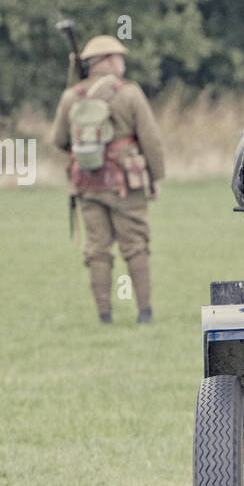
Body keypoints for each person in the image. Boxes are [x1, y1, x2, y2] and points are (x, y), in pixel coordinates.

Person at [50, 35, 165, 324]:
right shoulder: (129, 93)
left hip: (86, 182)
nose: (122, 62)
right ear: (107, 61)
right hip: (125, 181)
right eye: (119, 57)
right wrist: (155, 176)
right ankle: (145, 313)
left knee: (97, 249)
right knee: (135, 245)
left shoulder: (72, 95)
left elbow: (59, 139)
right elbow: (151, 140)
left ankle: (104, 316)